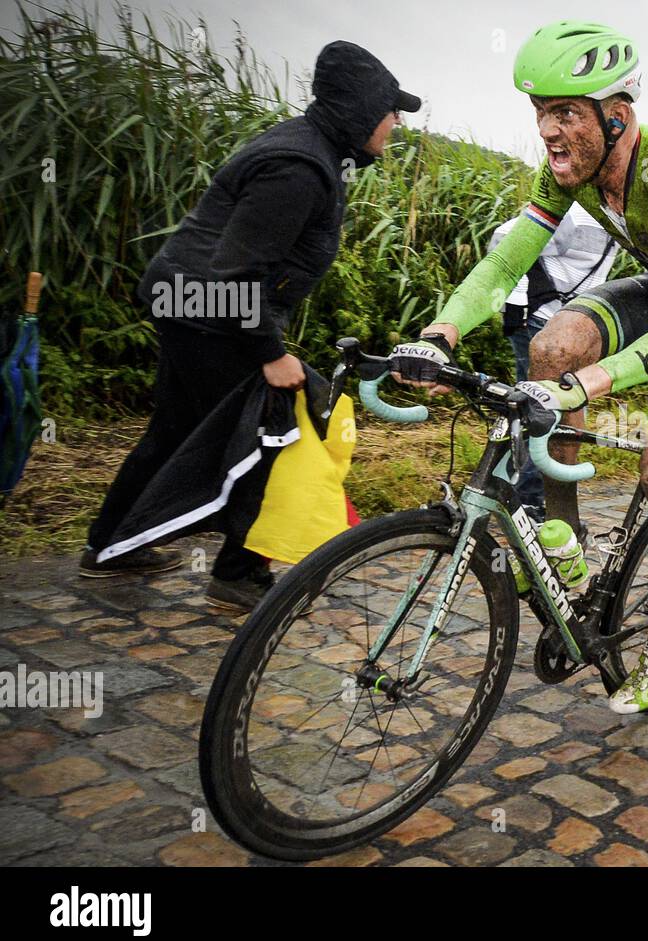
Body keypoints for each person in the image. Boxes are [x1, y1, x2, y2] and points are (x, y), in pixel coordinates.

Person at [407, 21, 648, 713]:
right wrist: (439, 333)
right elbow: (504, 263)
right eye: (540, 114)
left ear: (617, 116)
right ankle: (569, 540)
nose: (549, 132)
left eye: (565, 113)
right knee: (551, 347)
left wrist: (586, 386)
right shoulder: (571, 171)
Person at [80, 41, 420, 612]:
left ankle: (108, 547)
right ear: (361, 109)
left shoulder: (309, 150)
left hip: (191, 305)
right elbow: (239, 267)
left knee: (173, 430)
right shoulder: (299, 168)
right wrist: (269, 351)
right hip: (211, 314)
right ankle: (239, 575)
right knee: (275, 435)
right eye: (391, 110)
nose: (397, 122)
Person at [491, 206, 615, 517]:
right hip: (540, 321)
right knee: (545, 413)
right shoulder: (579, 217)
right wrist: (516, 301)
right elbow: (505, 236)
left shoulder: (617, 223)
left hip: (569, 330)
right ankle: (528, 502)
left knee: (536, 410)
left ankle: (502, 490)